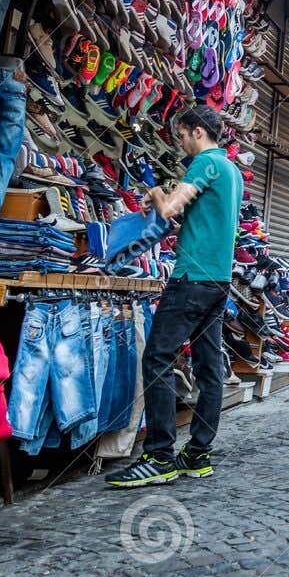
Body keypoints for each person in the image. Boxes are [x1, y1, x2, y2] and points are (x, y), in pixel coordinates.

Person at [107, 105, 243, 487]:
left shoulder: (204, 164)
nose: (181, 144)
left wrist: (154, 192)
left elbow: (170, 208)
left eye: (182, 135)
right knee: (208, 369)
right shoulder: (232, 172)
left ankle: (159, 456)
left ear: (198, 132)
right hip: (218, 280)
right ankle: (197, 453)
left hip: (191, 279)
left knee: (157, 359)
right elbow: (203, 218)